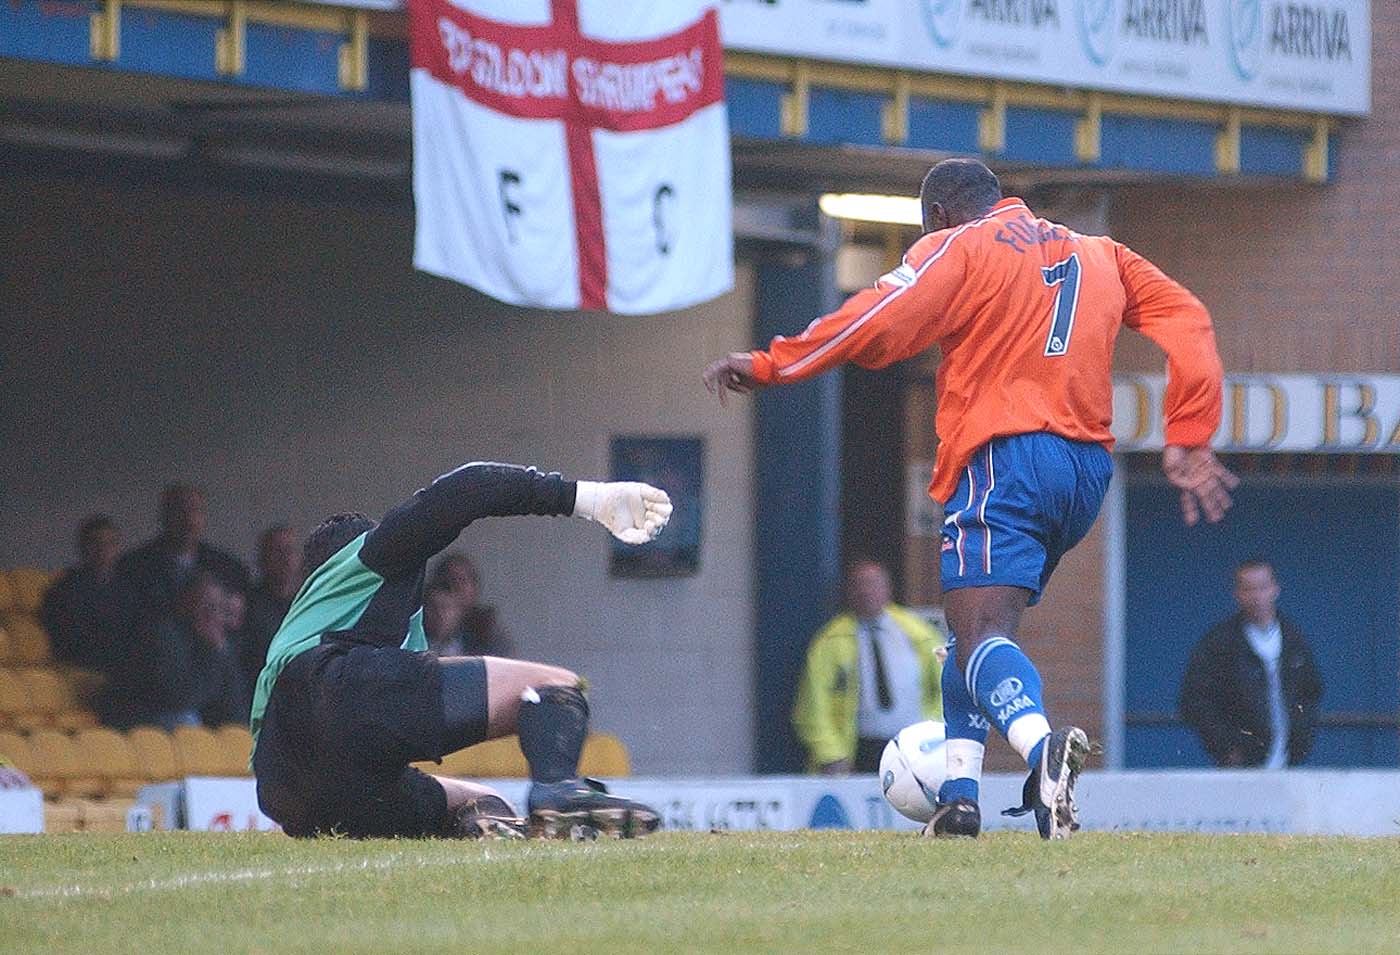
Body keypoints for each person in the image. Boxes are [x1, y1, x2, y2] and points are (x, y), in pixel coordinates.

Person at [704, 158, 1237, 839]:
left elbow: (877, 318)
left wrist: (774, 363)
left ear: (940, 217)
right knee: (967, 634)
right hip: (1085, 471)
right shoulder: (1101, 254)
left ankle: (1043, 750)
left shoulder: (958, 247)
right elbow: (1187, 318)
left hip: (1005, 456)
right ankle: (959, 797)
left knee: (982, 631)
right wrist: (1189, 433)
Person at [249, 461, 672, 840]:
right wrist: (589, 499)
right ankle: (560, 791)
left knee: (482, 800)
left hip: (291, 791)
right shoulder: (365, 559)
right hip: (344, 698)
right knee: (557, 687)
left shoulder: (292, 634)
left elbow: (283, 737)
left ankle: (488, 829)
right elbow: (466, 487)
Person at [792, 560, 945, 775]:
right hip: (858, 751)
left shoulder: (919, 633)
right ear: (848, 591)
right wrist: (831, 754)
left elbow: (946, 685)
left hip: (913, 747)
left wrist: (934, 730)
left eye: (873, 583)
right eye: (859, 584)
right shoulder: (830, 641)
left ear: (888, 588)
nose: (866, 591)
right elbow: (813, 704)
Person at [1180, 559, 1324, 768]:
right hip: (1240, 765)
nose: (1257, 598)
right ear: (1236, 594)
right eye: (1248, 589)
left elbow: (1311, 693)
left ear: (1275, 589)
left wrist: (1302, 738)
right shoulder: (1220, 644)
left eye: (1263, 588)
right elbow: (1195, 700)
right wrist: (1227, 748)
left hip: (1289, 761)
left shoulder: (1294, 641)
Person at [99, 573, 248, 730]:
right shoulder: (162, 634)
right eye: (204, 604)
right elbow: (181, 696)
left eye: (215, 607)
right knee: (188, 722)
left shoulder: (214, 639)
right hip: (135, 714)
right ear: (186, 600)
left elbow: (234, 702)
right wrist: (214, 653)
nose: (210, 614)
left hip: (173, 711)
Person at [115, 483, 250, 630]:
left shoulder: (227, 567)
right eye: (179, 511)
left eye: (195, 510)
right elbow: (129, 618)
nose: (188, 519)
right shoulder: (133, 566)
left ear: (203, 517)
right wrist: (177, 607)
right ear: (163, 517)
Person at [40, 514, 125, 672]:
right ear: (82, 547)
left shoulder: (126, 589)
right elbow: (70, 640)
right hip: (86, 663)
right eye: (95, 543)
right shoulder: (64, 590)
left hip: (125, 662)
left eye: (110, 544)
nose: (103, 550)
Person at [237, 524, 303, 696]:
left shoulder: (307, 602)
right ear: (261, 559)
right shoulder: (247, 605)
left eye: (290, 550)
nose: (285, 558)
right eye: (277, 551)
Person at [427, 553, 514, 658]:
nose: (456, 587)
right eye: (450, 581)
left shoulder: (487, 630)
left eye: (462, 580)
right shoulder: (418, 628)